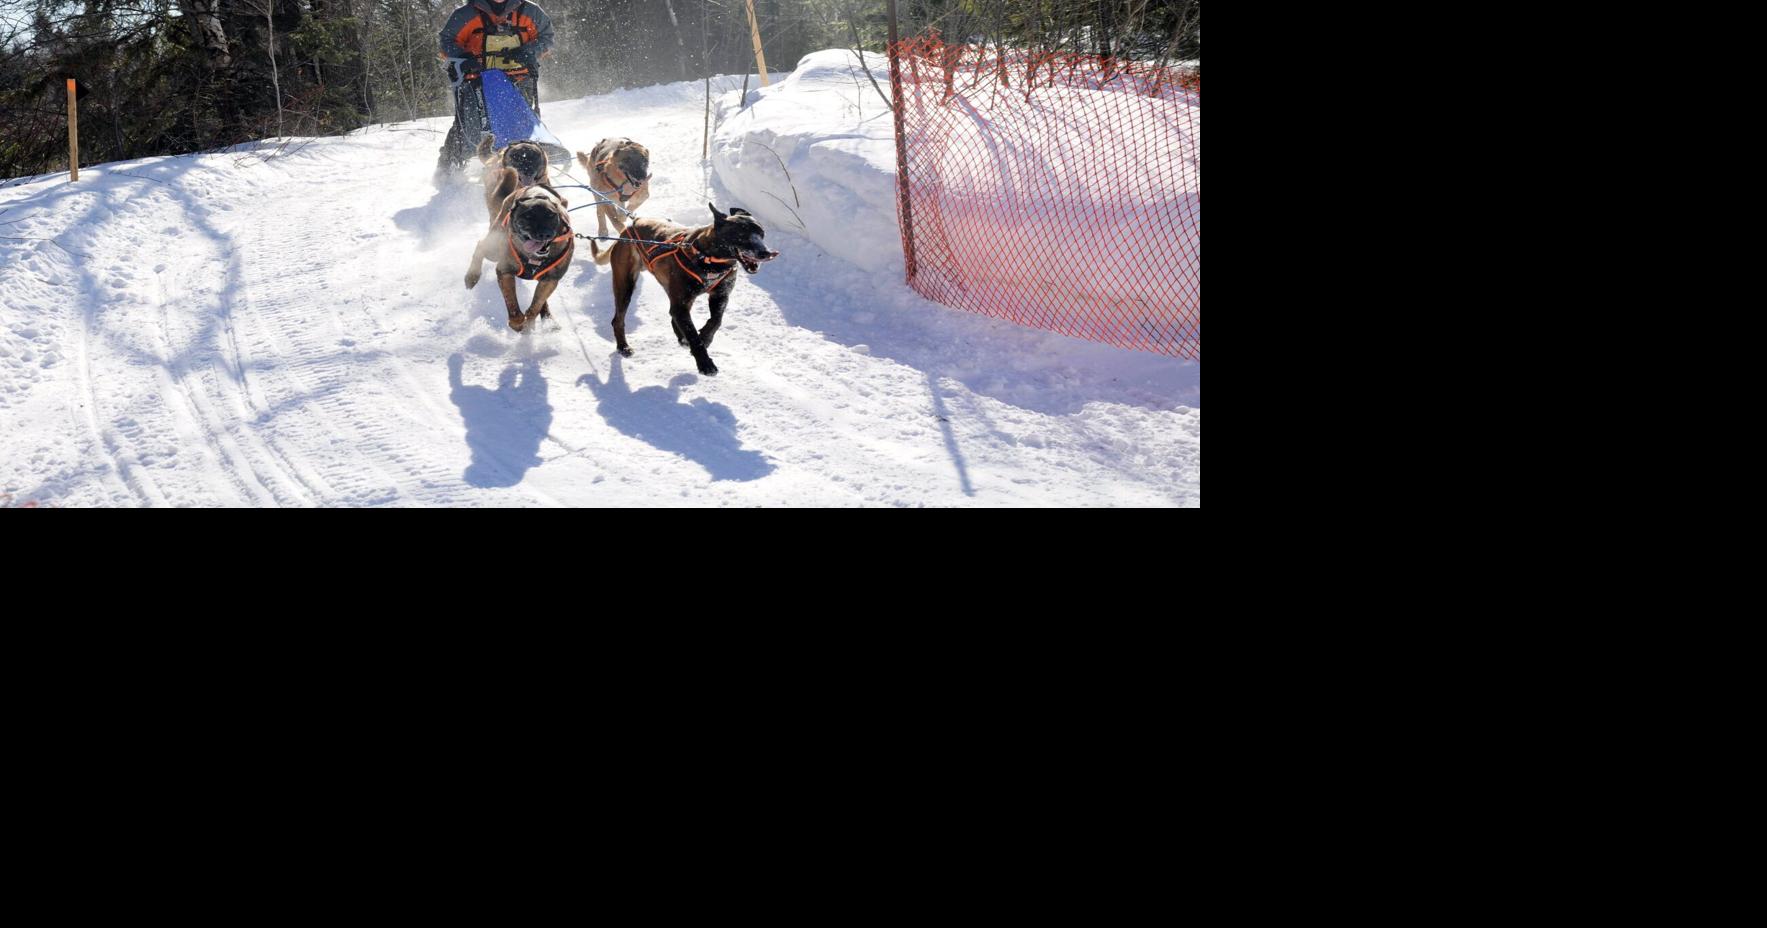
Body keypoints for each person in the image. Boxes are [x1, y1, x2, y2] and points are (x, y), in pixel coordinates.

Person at [435, 0, 556, 181]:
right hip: (476, 80)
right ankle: (448, 168)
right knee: (469, 127)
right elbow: (446, 41)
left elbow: (547, 37)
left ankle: (521, 168)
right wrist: (463, 57)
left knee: (520, 126)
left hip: (519, 78)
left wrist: (529, 51)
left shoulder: (531, 12)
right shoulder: (465, 15)